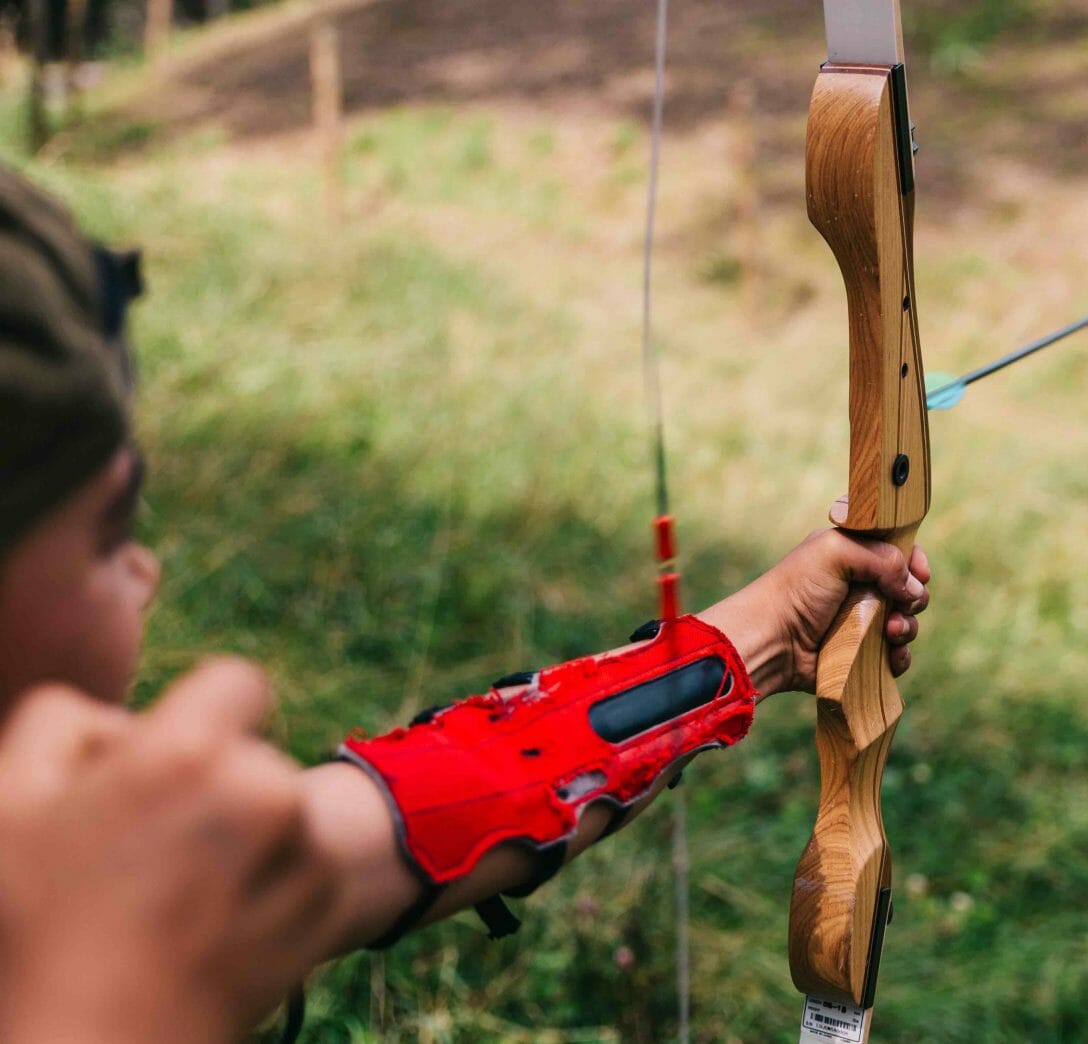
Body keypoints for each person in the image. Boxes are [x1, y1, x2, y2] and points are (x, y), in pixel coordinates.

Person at [0, 163, 932, 1040]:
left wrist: (760, 638)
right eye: (111, 531)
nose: (145, 571)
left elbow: (446, 801)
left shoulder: (98, 847)